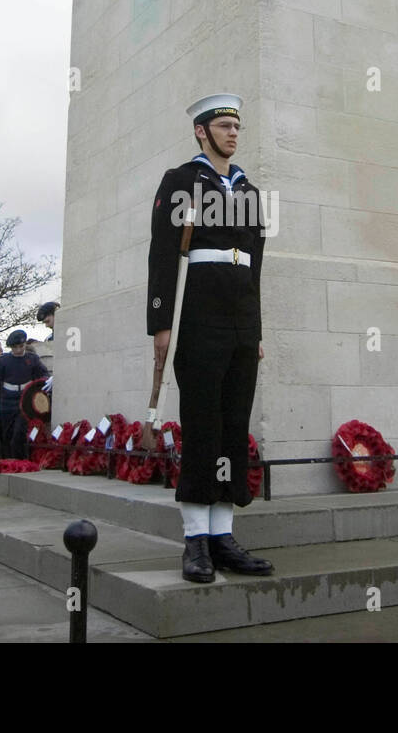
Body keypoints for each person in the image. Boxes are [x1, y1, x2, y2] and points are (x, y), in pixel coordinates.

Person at [149, 93, 272, 583]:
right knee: (202, 423)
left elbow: (256, 264)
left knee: (232, 424)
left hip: (241, 319)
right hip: (198, 314)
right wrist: (161, 322)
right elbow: (162, 252)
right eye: (223, 125)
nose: (233, 133)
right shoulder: (181, 181)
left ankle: (224, 535)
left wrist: (256, 329)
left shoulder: (249, 191)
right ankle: (195, 538)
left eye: (237, 126)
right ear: (202, 131)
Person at [0, 330, 48, 460]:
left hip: (25, 399)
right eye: (15, 347)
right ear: (11, 348)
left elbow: (43, 374)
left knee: (19, 432)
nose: (19, 350)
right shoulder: (4, 361)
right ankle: (7, 461)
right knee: (7, 434)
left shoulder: (32, 359)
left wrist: (46, 380)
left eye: (21, 346)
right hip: (7, 400)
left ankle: (20, 461)